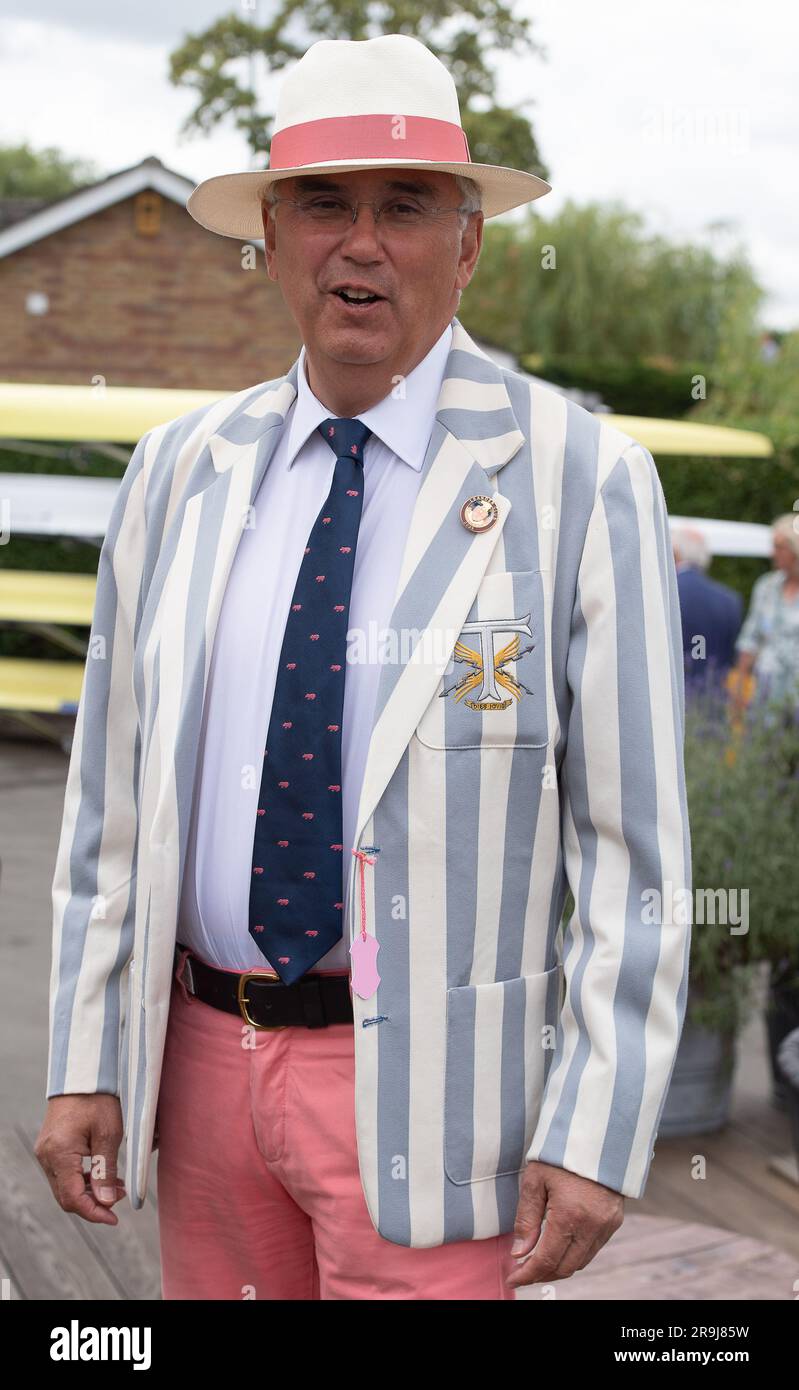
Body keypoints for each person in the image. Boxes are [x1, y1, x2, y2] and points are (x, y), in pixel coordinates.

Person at [36, 34, 692, 1301]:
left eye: (404, 206)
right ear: (271, 235)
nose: (361, 242)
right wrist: (83, 1055)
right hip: (202, 1067)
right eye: (324, 204)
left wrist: (597, 1126)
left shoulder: (579, 475)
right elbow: (107, 805)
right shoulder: (175, 470)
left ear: (468, 242)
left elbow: (634, 854)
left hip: (442, 1098)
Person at [730, 514, 799, 719]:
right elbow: (750, 639)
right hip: (767, 696)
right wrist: (740, 685)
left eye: (779, 547)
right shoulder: (766, 586)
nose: (773, 553)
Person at [672, 525, 743, 694]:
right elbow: (731, 655)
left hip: (673, 698)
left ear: (675, 553)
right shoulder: (730, 600)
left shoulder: (664, 595)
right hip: (714, 700)